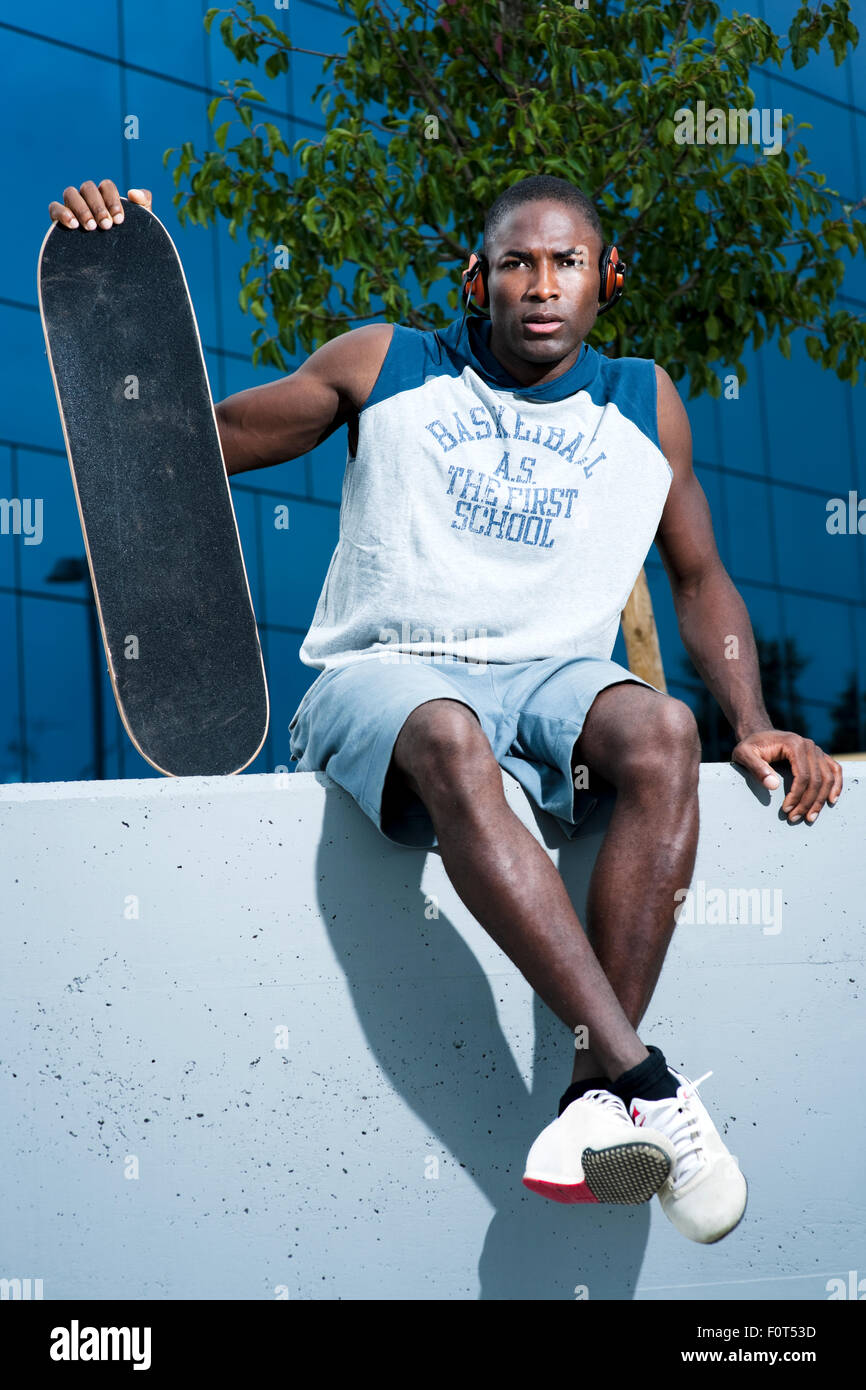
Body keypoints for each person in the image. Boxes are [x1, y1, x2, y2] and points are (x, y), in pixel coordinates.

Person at [49, 175, 842, 1244]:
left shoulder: (644, 404)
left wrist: (749, 720)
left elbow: (697, 579)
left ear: (606, 280)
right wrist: (113, 289)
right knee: (446, 733)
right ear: (477, 279)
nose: (540, 285)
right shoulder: (387, 364)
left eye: (565, 262)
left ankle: (591, 1103)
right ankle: (644, 1080)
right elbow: (198, 442)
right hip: (387, 675)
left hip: (552, 679)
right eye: (515, 263)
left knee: (661, 730)